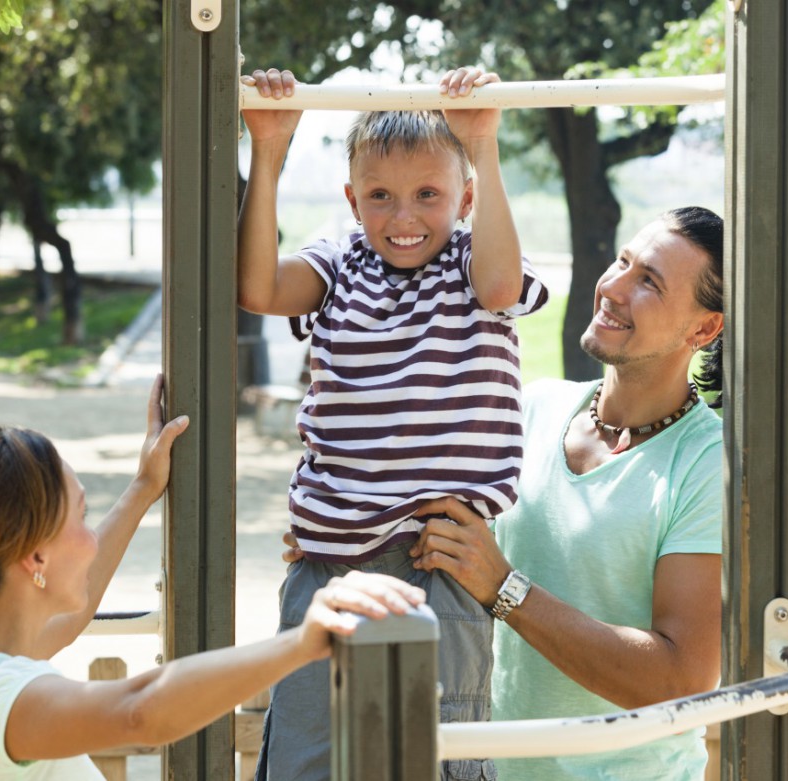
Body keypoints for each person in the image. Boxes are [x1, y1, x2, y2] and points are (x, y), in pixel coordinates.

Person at [0, 375, 426, 781]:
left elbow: (71, 615)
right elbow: (139, 710)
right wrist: (303, 643)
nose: (90, 537)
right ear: (34, 559)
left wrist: (144, 489)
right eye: (81, 517)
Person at [239, 66, 548, 779]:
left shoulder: (473, 266)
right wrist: (270, 151)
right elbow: (258, 287)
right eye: (380, 196)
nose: (403, 217)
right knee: (306, 754)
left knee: (430, 754)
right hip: (327, 560)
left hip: (434, 557)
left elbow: (502, 286)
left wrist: (482, 143)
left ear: (465, 198)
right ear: (353, 200)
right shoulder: (338, 264)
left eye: (428, 195)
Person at [393, 206, 724, 779]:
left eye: (649, 281)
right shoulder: (531, 407)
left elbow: (679, 680)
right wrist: (339, 526)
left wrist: (505, 589)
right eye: (622, 261)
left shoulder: (707, 463)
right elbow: (431, 523)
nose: (612, 287)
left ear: (703, 329)